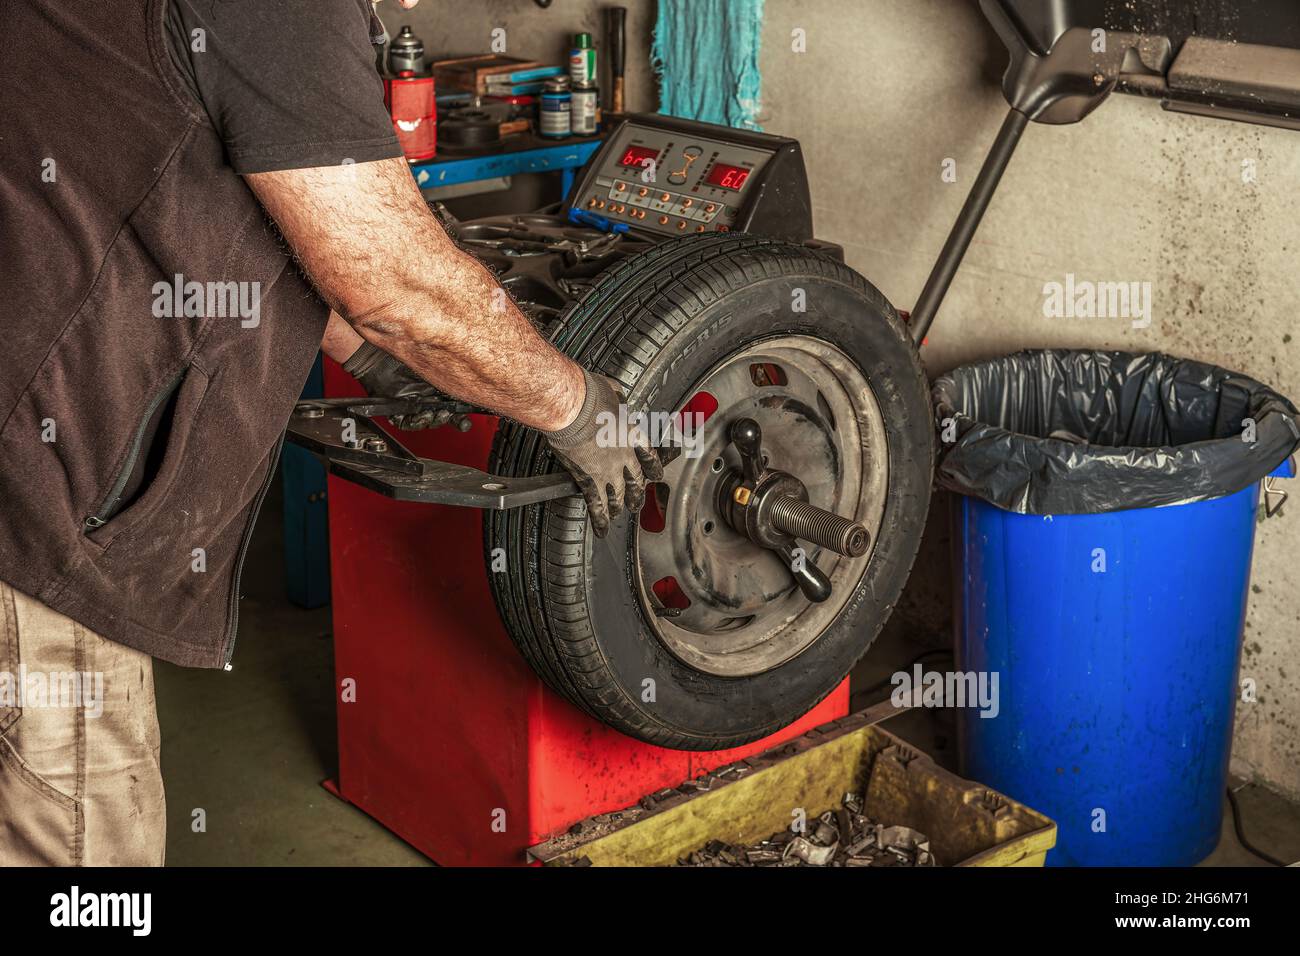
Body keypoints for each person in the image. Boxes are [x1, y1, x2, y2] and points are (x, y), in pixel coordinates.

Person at [0, 0, 659, 866]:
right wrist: (575, 405)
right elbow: (392, 276)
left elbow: (221, 195)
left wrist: (369, 349)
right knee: (83, 855)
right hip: (34, 516)